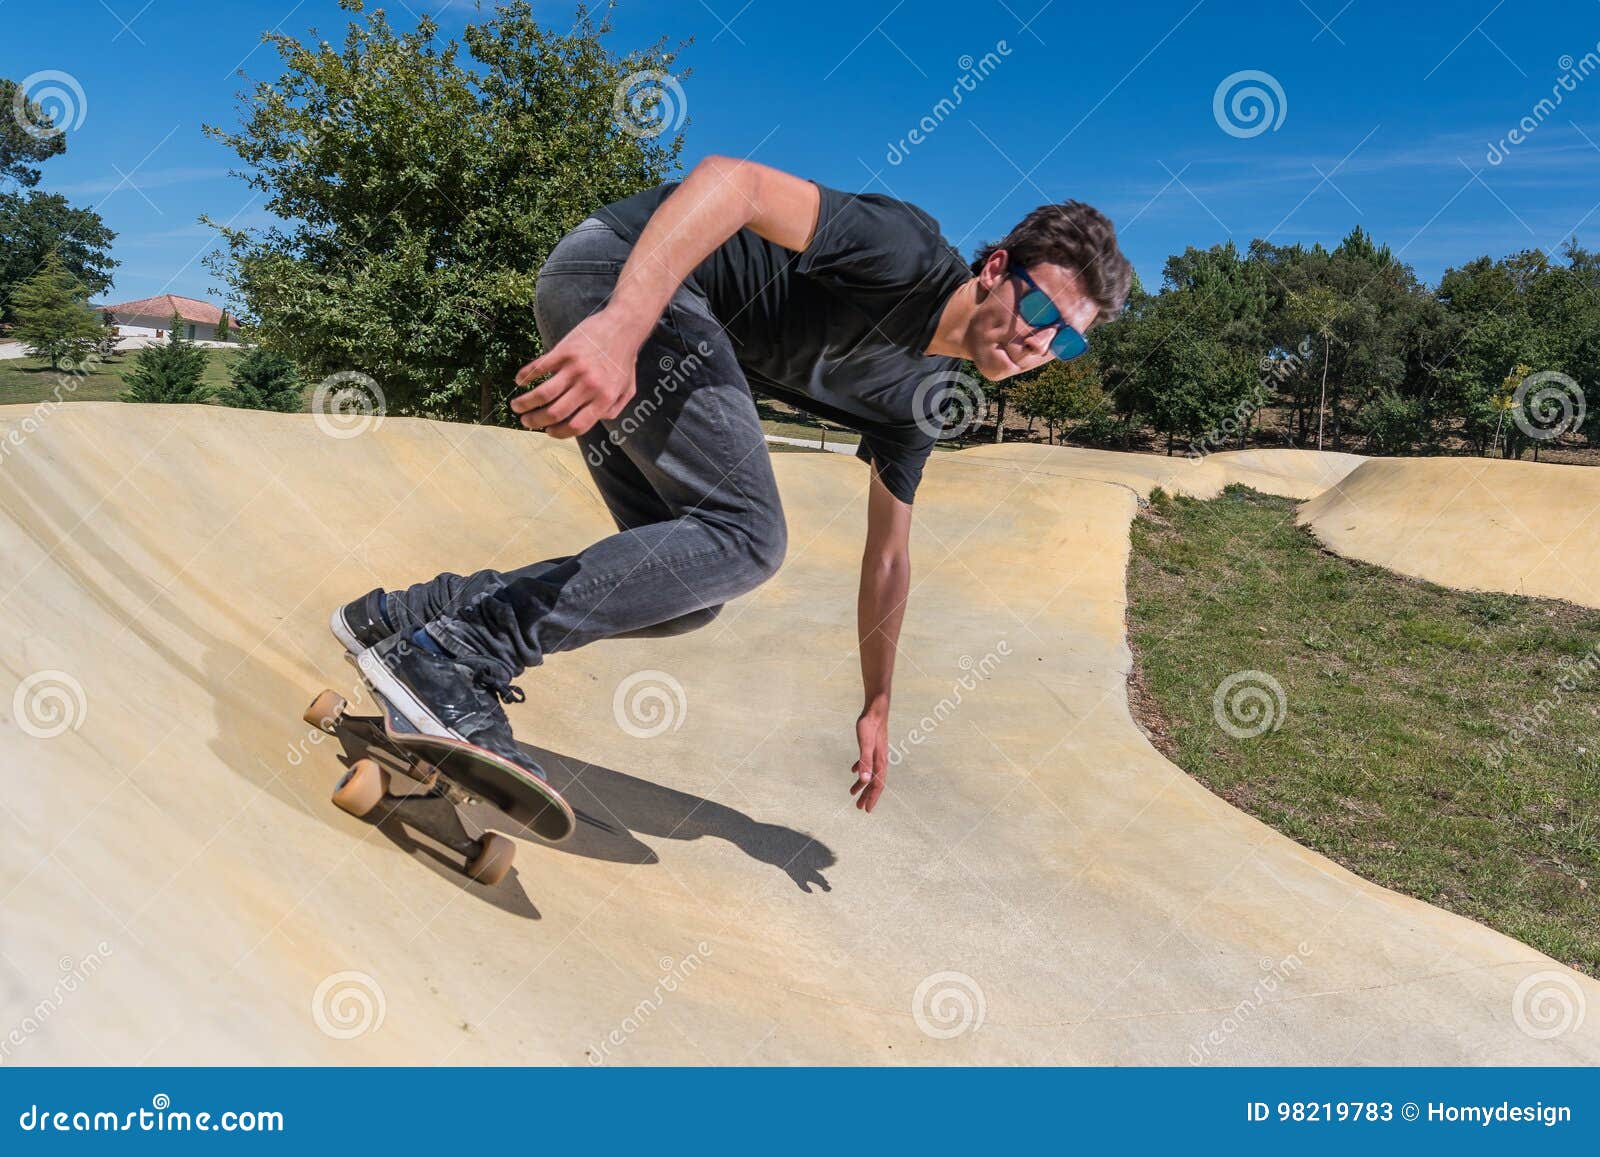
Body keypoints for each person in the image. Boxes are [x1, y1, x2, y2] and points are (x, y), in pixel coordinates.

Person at [331, 156, 1132, 814]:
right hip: (621, 277)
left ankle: (413, 621)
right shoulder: (908, 255)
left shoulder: (924, 404)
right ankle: (454, 656)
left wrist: (878, 699)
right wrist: (621, 327)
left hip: (647, 330)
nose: (1040, 343)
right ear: (997, 271)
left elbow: (889, 557)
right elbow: (732, 182)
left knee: (688, 588)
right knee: (750, 535)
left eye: (1067, 341)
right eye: (1040, 309)